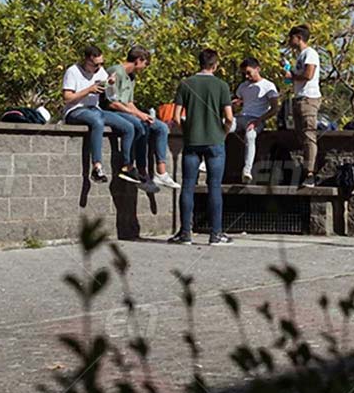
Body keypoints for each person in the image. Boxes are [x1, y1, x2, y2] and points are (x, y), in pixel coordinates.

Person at [169, 48, 234, 246]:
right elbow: (229, 117)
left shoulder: (186, 84)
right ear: (215, 65)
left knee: (187, 185)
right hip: (215, 141)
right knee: (214, 186)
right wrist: (223, 131)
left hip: (192, 141)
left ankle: (185, 233)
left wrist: (187, 130)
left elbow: (175, 116)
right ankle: (216, 234)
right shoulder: (221, 85)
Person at [103, 47, 178, 190]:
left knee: (161, 127)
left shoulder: (131, 77)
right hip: (113, 111)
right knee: (140, 125)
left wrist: (143, 114)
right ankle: (140, 171)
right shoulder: (116, 72)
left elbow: (129, 102)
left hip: (127, 111)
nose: (145, 68)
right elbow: (112, 102)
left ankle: (161, 173)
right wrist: (138, 115)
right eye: (145, 64)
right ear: (138, 60)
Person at [62, 45, 135, 183]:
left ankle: (127, 166)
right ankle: (97, 167)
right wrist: (89, 90)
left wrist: (111, 85)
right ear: (87, 61)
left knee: (128, 126)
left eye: (102, 63)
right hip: (75, 110)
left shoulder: (101, 72)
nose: (99, 67)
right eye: (96, 65)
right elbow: (67, 98)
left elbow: (111, 97)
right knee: (97, 121)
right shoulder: (72, 71)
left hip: (94, 109)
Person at [230, 57, 280, 183]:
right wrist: (236, 104)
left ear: (257, 69)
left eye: (248, 72)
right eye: (244, 74)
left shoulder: (268, 86)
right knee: (222, 126)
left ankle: (247, 170)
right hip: (242, 117)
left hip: (257, 118)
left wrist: (259, 120)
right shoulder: (243, 86)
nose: (246, 76)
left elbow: (275, 108)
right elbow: (240, 100)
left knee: (250, 135)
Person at [284, 25, 322, 187]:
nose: (289, 41)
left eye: (291, 37)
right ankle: (307, 170)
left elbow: (308, 75)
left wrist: (292, 76)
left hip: (309, 98)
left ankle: (310, 174)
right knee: (301, 136)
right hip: (299, 98)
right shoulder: (300, 56)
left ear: (298, 37)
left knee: (309, 136)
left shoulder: (310, 53)